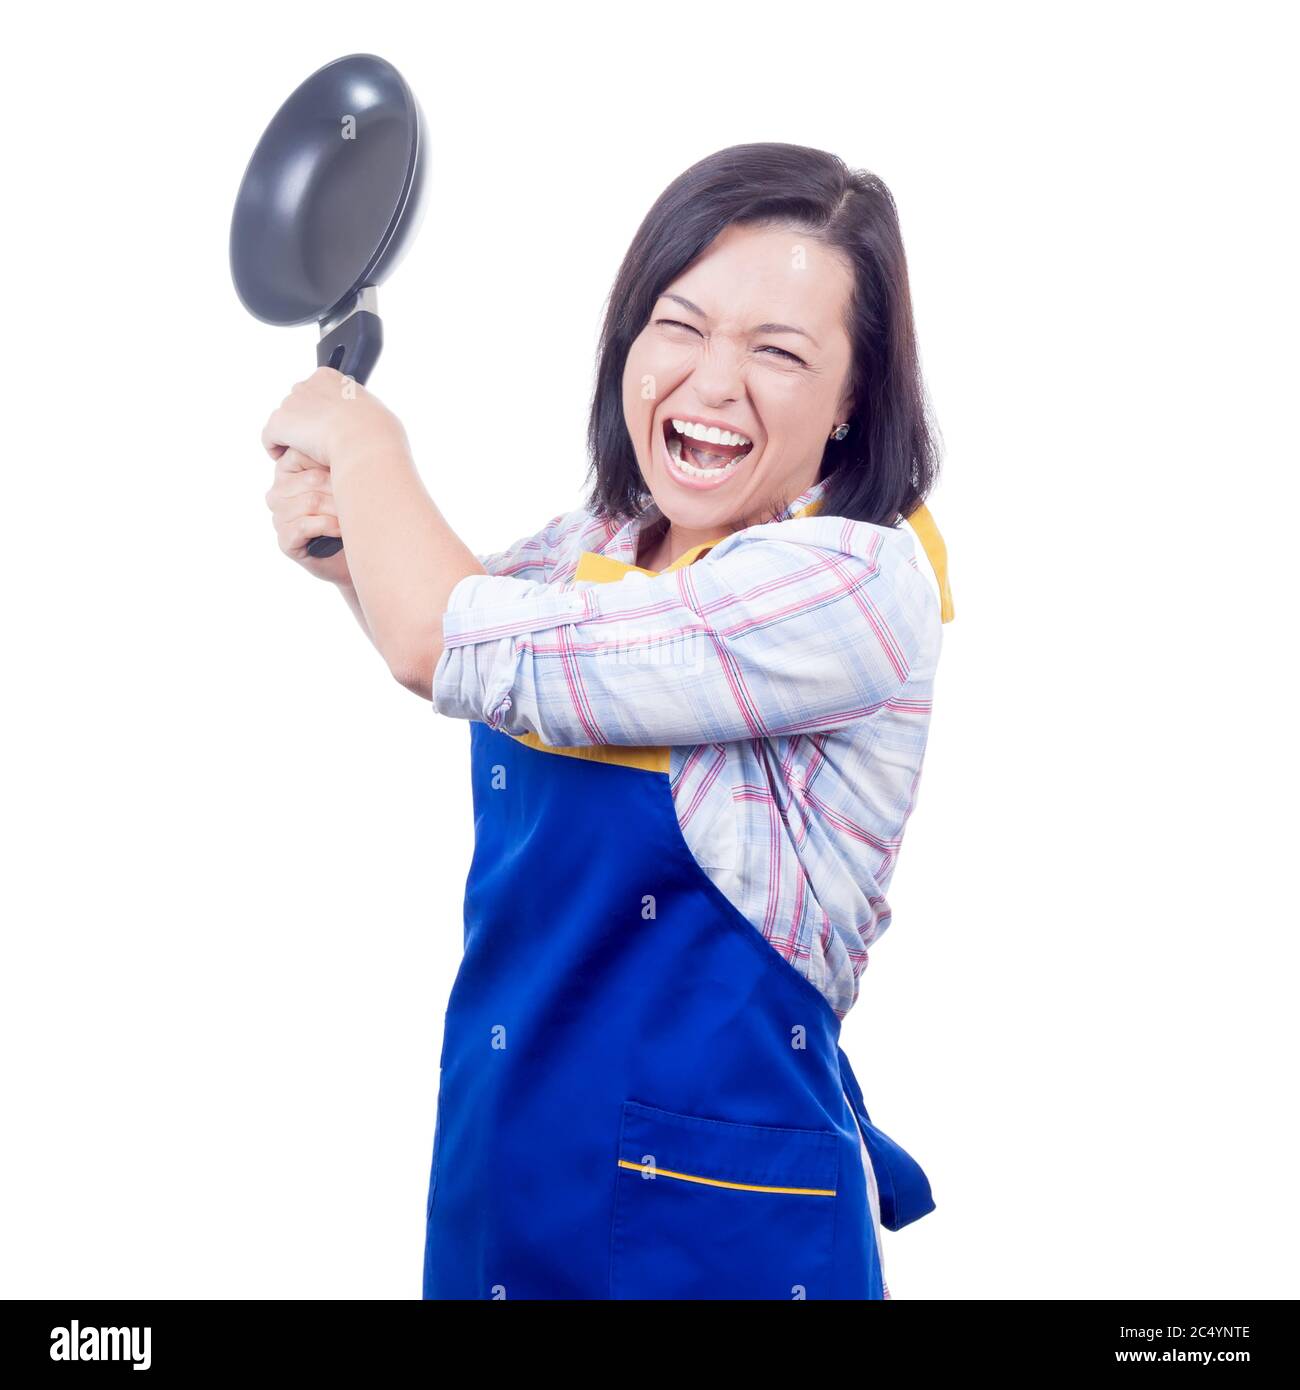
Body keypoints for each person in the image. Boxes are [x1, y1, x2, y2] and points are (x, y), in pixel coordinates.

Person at [261, 142, 954, 1300]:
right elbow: (460, 637)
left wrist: (369, 445)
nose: (713, 381)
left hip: (721, 1231)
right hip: (512, 1160)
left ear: (851, 403)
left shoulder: (853, 584)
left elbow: (447, 638)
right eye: (678, 324)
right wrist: (345, 556)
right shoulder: (596, 544)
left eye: (778, 352)